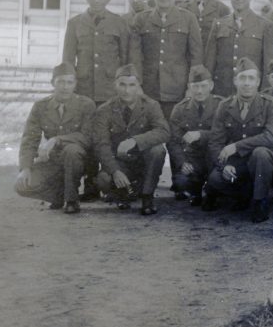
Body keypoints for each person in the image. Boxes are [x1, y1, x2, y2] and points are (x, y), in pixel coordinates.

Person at [204, 57, 273, 223]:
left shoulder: (271, 104)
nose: (247, 83)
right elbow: (215, 142)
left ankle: (260, 202)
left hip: (264, 162)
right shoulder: (225, 106)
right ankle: (246, 195)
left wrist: (236, 146)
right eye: (242, 78)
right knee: (215, 179)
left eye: (251, 78)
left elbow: (270, 137)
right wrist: (223, 165)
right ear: (235, 81)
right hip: (238, 163)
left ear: (258, 82)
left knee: (260, 153)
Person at [14, 63, 96, 214]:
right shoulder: (40, 106)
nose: (65, 87)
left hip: (80, 160)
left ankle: (72, 200)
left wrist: (56, 139)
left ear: (75, 84)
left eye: (70, 82)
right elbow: (29, 138)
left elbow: (87, 137)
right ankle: (58, 195)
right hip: (53, 160)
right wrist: (25, 168)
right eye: (61, 82)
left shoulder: (86, 105)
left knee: (72, 151)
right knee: (23, 185)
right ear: (53, 83)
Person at [93, 64, 169, 216]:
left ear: (138, 85)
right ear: (115, 85)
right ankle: (122, 194)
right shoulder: (105, 110)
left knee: (158, 150)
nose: (127, 90)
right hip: (120, 163)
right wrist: (115, 171)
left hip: (143, 164)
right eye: (122, 84)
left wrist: (135, 141)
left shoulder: (151, 105)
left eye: (132, 85)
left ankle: (147, 196)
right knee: (103, 180)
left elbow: (164, 132)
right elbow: (101, 144)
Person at [129, 0, 202, 121]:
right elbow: (135, 56)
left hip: (178, 88)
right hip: (149, 89)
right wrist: (137, 84)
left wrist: (191, 86)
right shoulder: (141, 19)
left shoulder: (188, 18)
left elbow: (196, 55)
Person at [205, 0, 273, 97]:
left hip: (252, 92)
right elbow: (209, 62)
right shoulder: (219, 24)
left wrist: (264, 93)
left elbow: (268, 64)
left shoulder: (264, 25)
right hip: (223, 91)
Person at [63, 0, 131, 104]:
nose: (97, 0)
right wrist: (70, 85)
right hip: (84, 86)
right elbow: (68, 59)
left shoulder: (119, 22)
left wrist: (123, 85)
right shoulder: (74, 23)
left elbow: (125, 58)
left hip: (110, 87)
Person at [168, 65, 223, 205]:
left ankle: (212, 190)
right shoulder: (180, 109)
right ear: (189, 87)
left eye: (203, 86)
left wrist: (201, 134)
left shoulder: (222, 105)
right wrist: (182, 162)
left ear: (211, 85)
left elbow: (227, 136)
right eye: (195, 86)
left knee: (218, 182)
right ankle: (195, 190)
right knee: (181, 181)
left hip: (215, 158)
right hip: (192, 160)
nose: (199, 91)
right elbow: (173, 141)